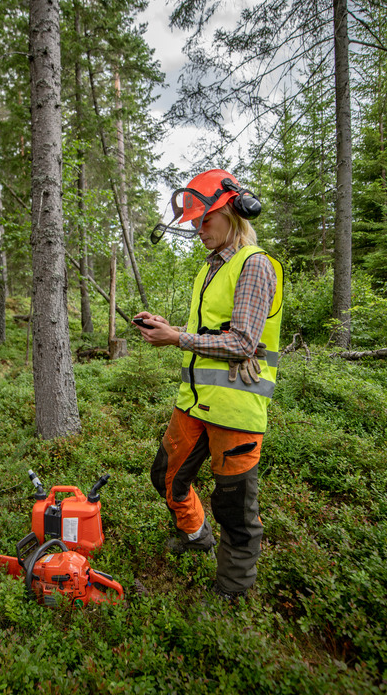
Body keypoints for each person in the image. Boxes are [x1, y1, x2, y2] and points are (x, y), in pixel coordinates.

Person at [135, 168, 284, 601]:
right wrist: (172, 328)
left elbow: (242, 341)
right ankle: (195, 534)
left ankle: (231, 592)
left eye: (206, 219)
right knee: (167, 475)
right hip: (194, 403)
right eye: (195, 222)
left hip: (236, 411)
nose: (199, 229)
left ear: (234, 211)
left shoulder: (254, 265)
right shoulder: (209, 269)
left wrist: (177, 338)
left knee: (235, 509)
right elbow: (214, 331)